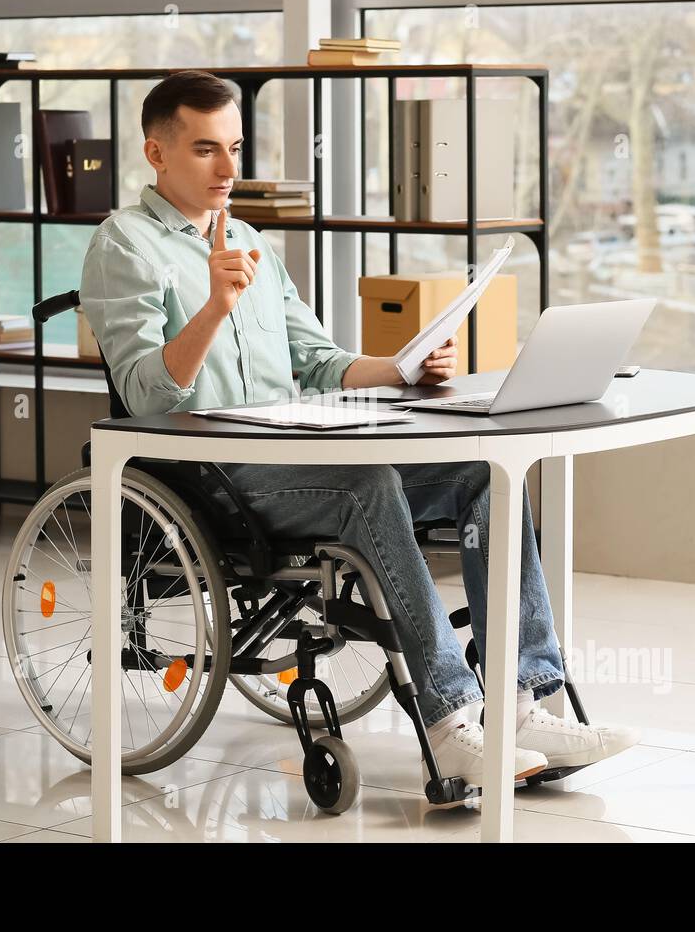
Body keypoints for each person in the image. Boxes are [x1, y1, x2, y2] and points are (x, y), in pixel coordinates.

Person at [79, 69, 639, 793]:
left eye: (236, 148)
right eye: (205, 150)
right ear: (156, 153)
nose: (228, 169)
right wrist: (215, 305)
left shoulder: (248, 239)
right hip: (211, 473)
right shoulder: (124, 244)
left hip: (295, 453)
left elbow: (317, 362)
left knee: (483, 478)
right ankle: (449, 720)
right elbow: (145, 390)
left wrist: (401, 370)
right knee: (368, 486)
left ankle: (525, 702)